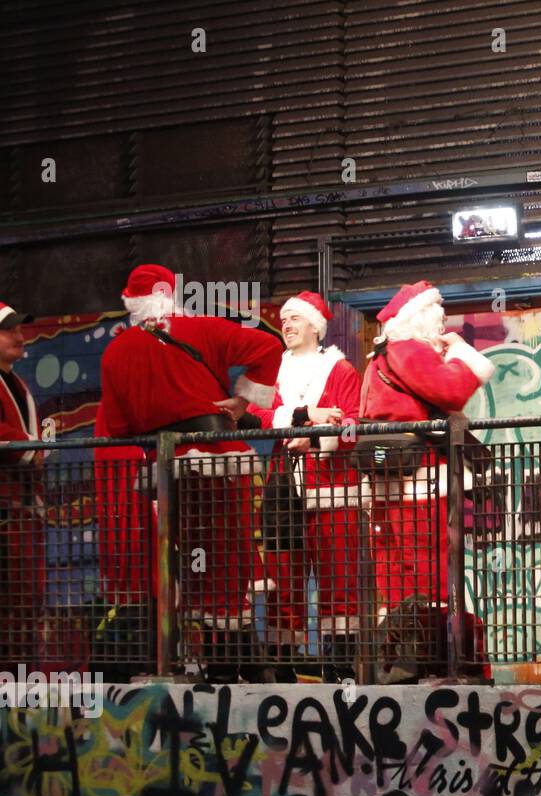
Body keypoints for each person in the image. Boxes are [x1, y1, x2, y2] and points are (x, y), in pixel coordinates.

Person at [94, 264, 283, 680]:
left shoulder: (116, 352)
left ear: (132, 303)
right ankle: (234, 667)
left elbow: (119, 430)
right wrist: (242, 401)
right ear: (172, 293)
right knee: (225, 564)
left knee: (188, 564)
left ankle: (193, 663)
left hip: (164, 474)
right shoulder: (202, 328)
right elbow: (269, 347)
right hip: (218, 464)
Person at [358, 280, 494, 680]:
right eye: (438, 317)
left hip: (389, 477)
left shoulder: (379, 357)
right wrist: (463, 355)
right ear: (418, 319)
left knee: (397, 571)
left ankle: (404, 658)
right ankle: (435, 658)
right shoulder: (409, 350)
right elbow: (449, 390)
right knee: (431, 571)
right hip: (422, 481)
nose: (443, 324)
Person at [249, 292, 364, 683]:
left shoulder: (341, 370)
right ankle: (284, 669)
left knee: (338, 579)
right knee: (284, 580)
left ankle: (339, 669)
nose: (288, 325)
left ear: (316, 326)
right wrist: (304, 417)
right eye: (285, 319)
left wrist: (313, 439)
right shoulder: (271, 373)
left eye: (297, 318)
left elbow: (352, 428)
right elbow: (252, 415)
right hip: (283, 488)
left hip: (331, 488)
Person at [0, 302, 43, 671]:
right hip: (5, 510)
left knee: (26, 597)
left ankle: (19, 674)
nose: (19, 335)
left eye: (19, 328)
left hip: (22, 511)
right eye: (8, 330)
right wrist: (31, 449)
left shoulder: (16, 382)